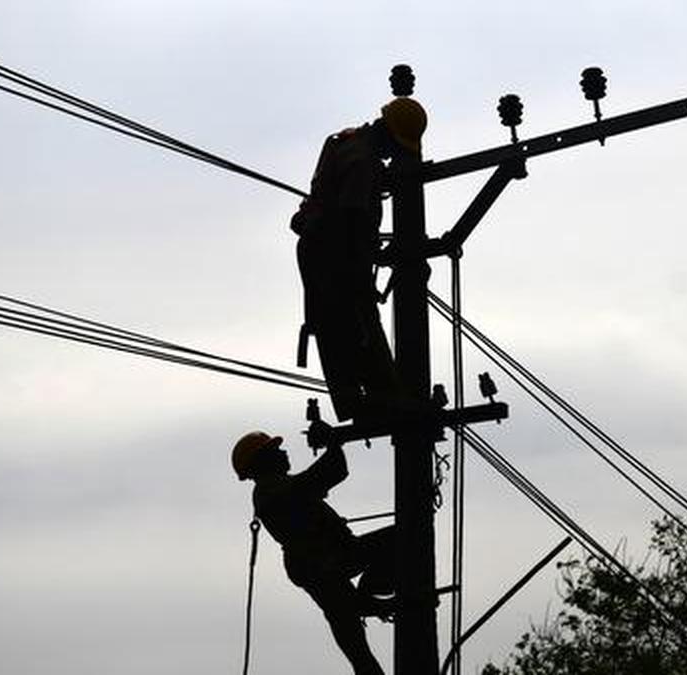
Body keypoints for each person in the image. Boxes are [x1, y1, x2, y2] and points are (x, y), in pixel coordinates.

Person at [292, 97, 428, 423]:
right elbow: (352, 218)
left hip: (319, 249)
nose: (394, 156)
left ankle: (355, 402)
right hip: (336, 252)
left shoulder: (347, 142)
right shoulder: (364, 161)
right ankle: (386, 399)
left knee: (332, 325)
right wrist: (360, 271)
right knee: (359, 322)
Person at [232, 430, 394, 675]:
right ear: (262, 462)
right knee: (403, 535)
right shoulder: (272, 492)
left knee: (353, 640)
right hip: (324, 563)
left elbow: (326, 475)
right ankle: (368, 594)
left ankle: (365, 599)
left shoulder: (276, 489)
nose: (284, 452)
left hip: (324, 564)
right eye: (276, 451)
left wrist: (333, 444)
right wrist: (333, 443)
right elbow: (328, 473)